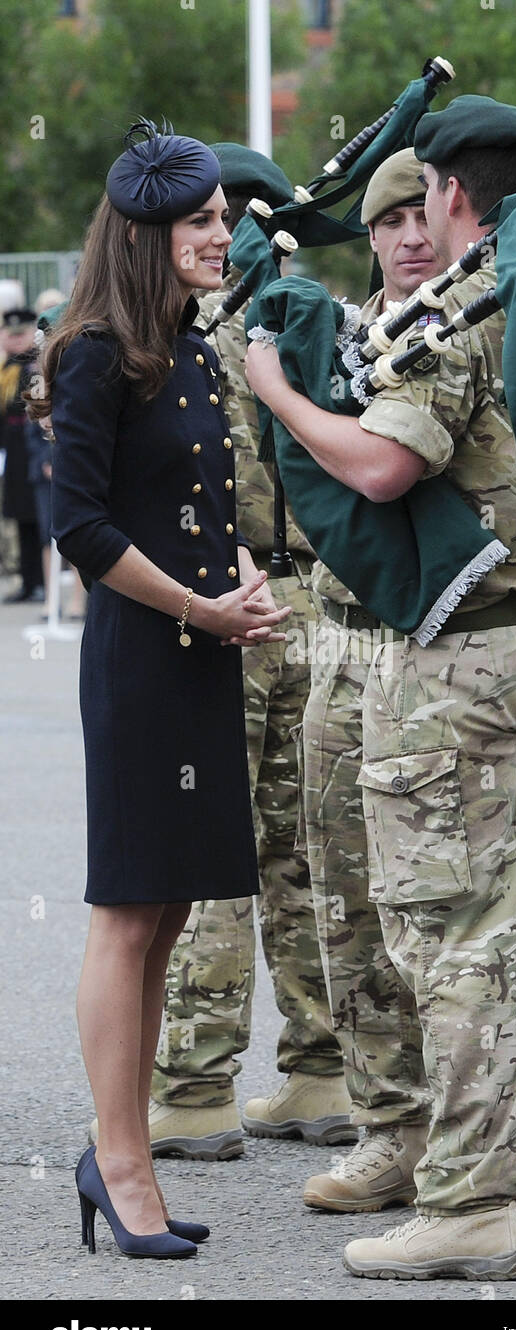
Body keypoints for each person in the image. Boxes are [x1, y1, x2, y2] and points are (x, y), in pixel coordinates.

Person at [246, 95, 516, 1280]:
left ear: (457, 195)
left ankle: (466, 1198)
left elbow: (381, 466)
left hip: (460, 661)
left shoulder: (468, 310)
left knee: (463, 941)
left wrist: (275, 388)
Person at [35, 120, 290, 1259]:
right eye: (201, 223)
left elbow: (191, 501)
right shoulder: (93, 348)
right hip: (143, 662)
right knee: (127, 911)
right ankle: (120, 1158)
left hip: (201, 652)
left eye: (222, 220)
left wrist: (236, 572)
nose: (220, 236)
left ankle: (121, 1147)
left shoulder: (192, 344)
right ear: (144, 235)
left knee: (175, 905)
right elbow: (79, 528)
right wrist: (200, 606)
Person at [136, 143, 351, 1162]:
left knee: (214, 848)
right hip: (315, 602)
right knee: (304, 850)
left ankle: (197, 1086)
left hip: (229, 604)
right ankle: (321, 1066)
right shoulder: (321, 322)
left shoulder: (204, 334)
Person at [301, 149, 438, 1214]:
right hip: (340, 649)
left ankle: (479, 1138)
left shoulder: (489, 327)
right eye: (386, 220)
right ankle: (388, 1124)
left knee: (444, 912)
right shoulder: (332, 344)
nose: (406, 237)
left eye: (421, 214)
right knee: (346, 903)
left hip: (448, 659)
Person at [0, 308, 44, 602]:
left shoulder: (36, 365)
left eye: (21, 334)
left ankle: (41, 582)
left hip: (33, 449)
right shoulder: (7, 369)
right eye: (10, 334)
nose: (16, 340)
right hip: (12, 452)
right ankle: (28, 581)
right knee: (20, 518)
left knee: (38, 518)